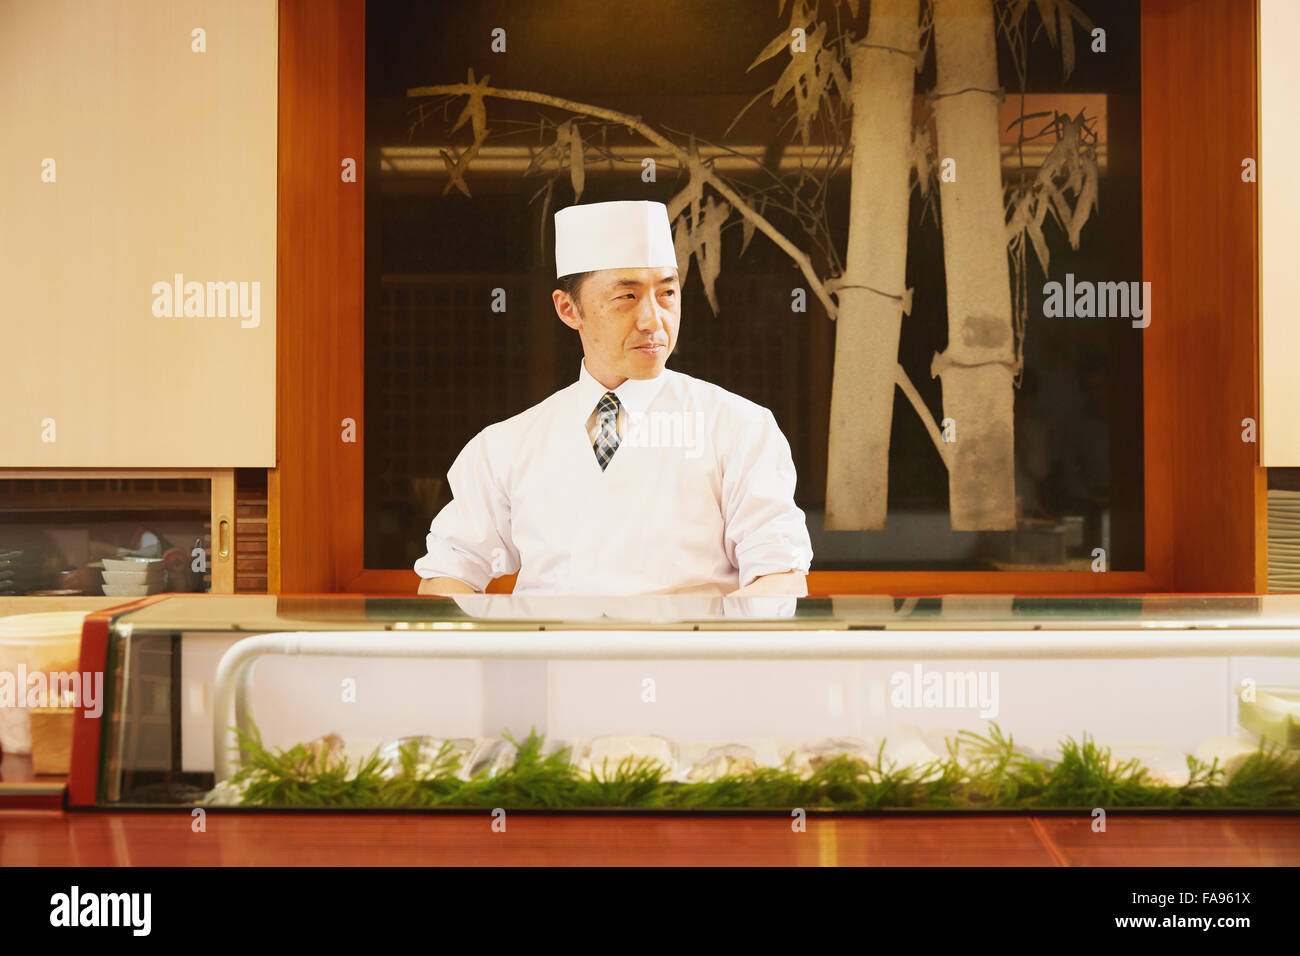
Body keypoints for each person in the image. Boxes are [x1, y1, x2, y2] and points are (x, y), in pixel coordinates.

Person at [414, 199, 813, 597]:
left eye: (667, 294)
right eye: (627, 297)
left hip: (690, 656)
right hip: (550, 658)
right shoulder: (506, 445)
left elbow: (779, 575)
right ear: (569, 309)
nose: (653, 320)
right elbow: (447, 574)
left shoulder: (738, 428)